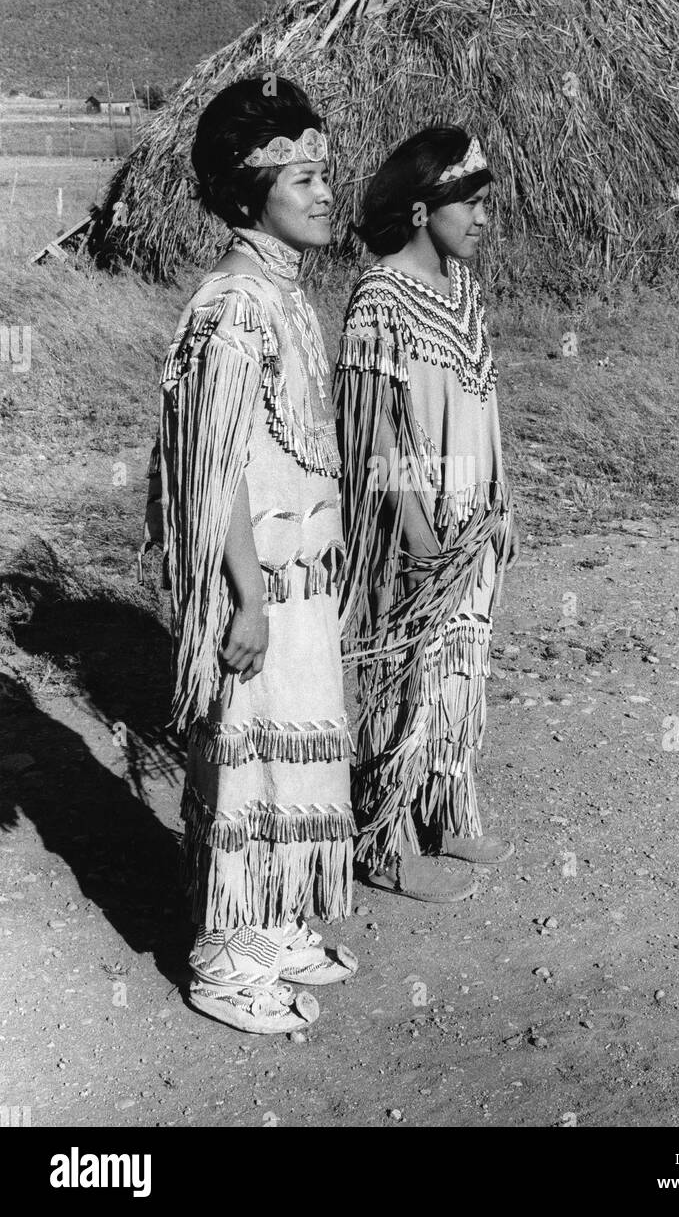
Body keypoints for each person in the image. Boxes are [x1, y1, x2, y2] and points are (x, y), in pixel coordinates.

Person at [148, 77, 357, 1033]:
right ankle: (224, 961)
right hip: (257, 587)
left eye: (327, 176)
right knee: (244, 762)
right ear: (250, 188)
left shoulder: (283, 295)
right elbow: (212, 468)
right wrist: (241, 597)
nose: (325, 195)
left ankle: (273, 922)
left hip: (299, 581)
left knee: (292, 758)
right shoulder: (231, 304)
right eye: (305, 178)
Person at [334, 126, 519, 903]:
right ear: (420, 209)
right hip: (414, 527)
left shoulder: (463, 291)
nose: (482, 220)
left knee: (457, 670)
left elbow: (482, 401)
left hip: (469, 518)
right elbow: (374, 431)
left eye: (485, 205)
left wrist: (501, 498)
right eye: (469, 205)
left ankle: (443, 810)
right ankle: (383, 839)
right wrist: (414, 533)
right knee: (403, 672)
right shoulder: (380, 300)